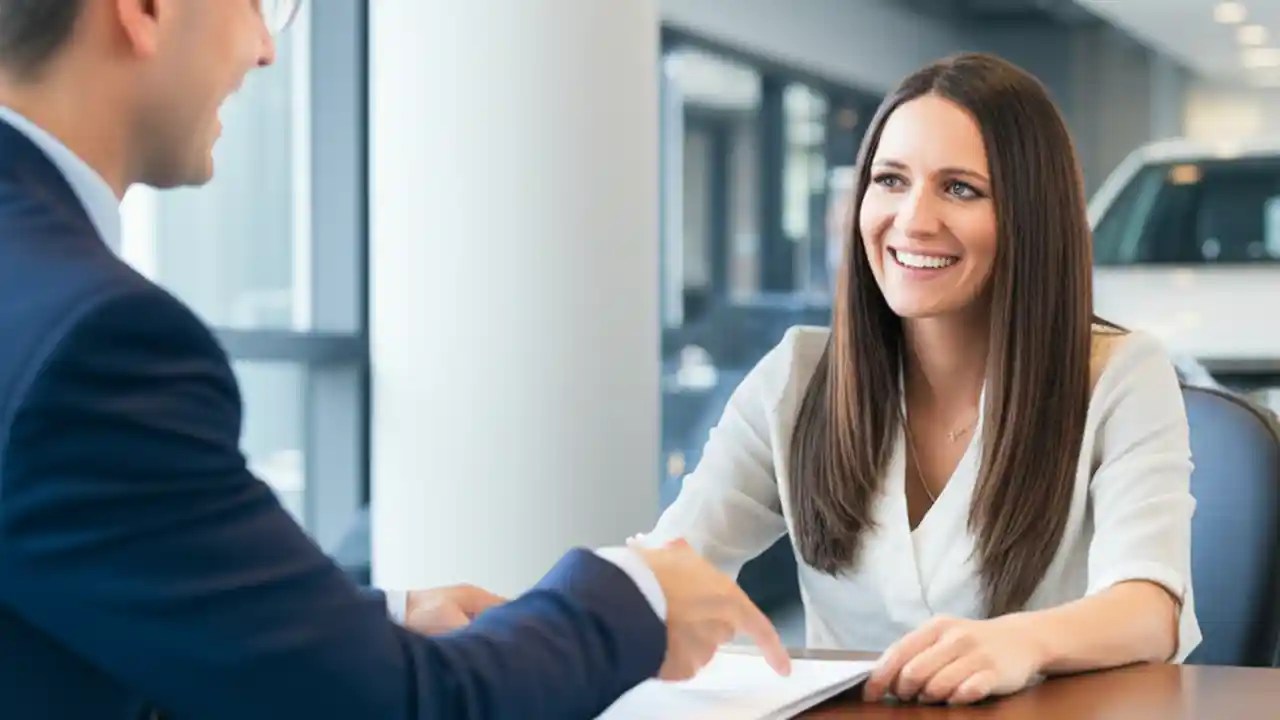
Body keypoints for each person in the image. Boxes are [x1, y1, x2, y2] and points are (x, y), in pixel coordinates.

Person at [0, 1, 788, 718]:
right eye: (254, 3)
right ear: (144, 9)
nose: (266, 49)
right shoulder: (94, 338)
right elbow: (401, 709)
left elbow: (73, 608)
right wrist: (635, 596)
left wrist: (361, 621)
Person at [643, 52, 1200, 706]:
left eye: (960, 188)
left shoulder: (1120, 376)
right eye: (890, 180)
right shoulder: (796, 378)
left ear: (1031, 216)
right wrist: (523, 624)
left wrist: (1022, 642)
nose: (912, 220)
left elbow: (1148, 607)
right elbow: (671, 566)